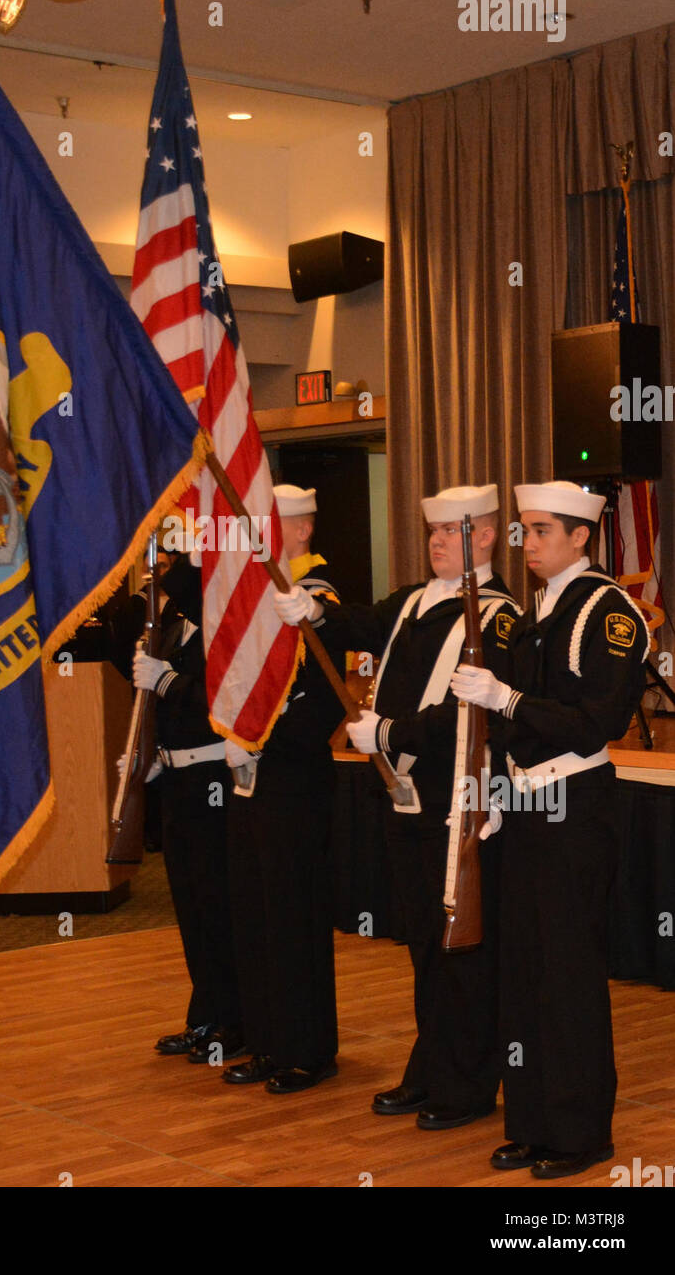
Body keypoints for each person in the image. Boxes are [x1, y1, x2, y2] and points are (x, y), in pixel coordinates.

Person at [278, 484, 520, 1128]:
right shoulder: (415, 600)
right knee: (422, 944)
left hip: (454, 799)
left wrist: (388, 734)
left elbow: (469, 715)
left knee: (460, 945)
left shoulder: (498, 616)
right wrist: (316, 610)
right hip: (404, 800)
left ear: (489, 537)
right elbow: (360, 621)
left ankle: (467, 1085)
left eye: (452, 532)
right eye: (434, 533)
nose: (438, 542)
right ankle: (432, 1065)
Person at [450, 480, 650, 1180]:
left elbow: (595, 719)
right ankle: (532, 1121)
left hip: (576, 804)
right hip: (529, 803)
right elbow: (517, 725)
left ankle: (579, 1131)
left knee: (566, 976)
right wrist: (497, 785)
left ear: (580, 537)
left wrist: (505, 697)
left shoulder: (609, 613)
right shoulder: (537, 612)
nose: (526, 544)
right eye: (524, 531)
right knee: (525, 972)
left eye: (540, 532)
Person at [223, 483, 345, 1094]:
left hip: (294, 777)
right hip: (253, 778)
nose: (264, 537)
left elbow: (320, 698)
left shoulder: (316, 597)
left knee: (295, 916)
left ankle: (308, 1049)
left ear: (303, 532)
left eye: (278, 526)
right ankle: (269, 1041)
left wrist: (261, 737)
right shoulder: (256, 594)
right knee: (257, 911)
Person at [126, 545, 243, 1064]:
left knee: (221, 905)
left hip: (213, 775)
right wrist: (151, 755)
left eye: (175, 566)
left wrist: (168, 680)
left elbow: (226, 695)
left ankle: (234, 1021)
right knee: (191, 907)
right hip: (176, 778)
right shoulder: (173, 619)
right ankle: (205, 1013)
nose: (163, 576)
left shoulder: (224, 620)